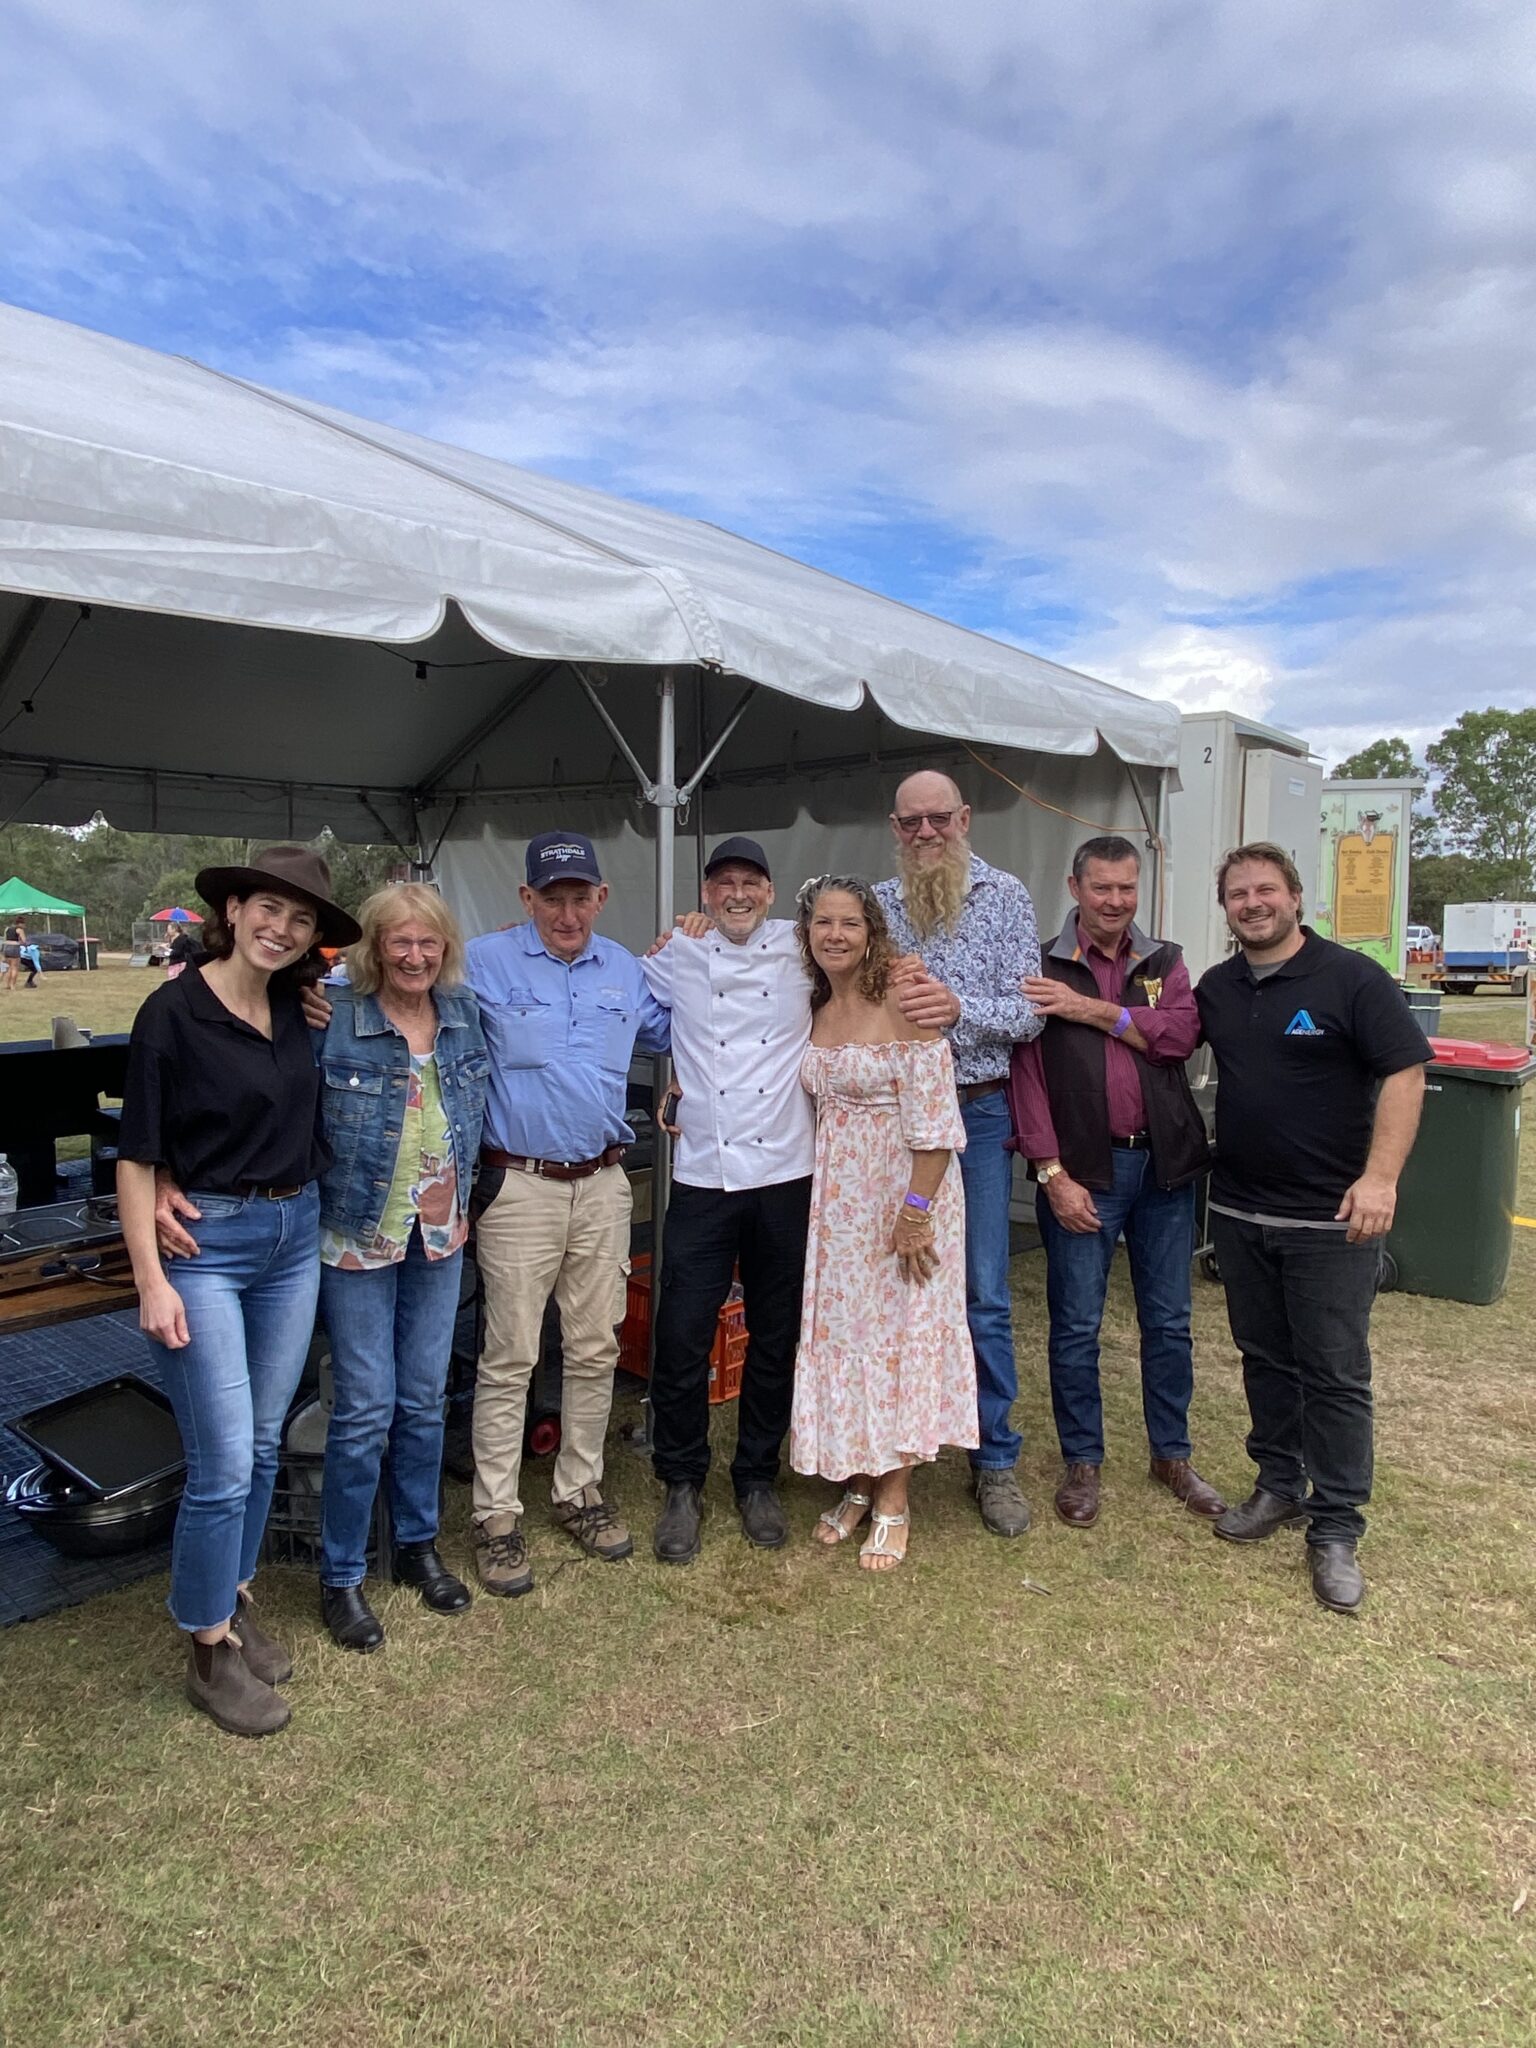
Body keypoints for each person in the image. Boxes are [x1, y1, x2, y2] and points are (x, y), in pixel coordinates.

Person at [167, 885, 492, 1650]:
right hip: (354, 1234)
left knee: (424, 1399)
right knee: (364, 1408)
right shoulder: (330, 1015)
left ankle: (417, 1546)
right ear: (372, 949)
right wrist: (168, 1176)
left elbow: (476, 1106)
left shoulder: (468, 1013)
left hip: (439, 1234)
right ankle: (342, 1574)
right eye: (398, 943)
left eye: (428, 943)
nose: (414, 956)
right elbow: (250, 1077)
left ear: (446, 948)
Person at [117, 844, 359, 1738]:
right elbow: (137, 1156)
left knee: (260, 1443)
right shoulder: (170, 1013)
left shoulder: (300, 1010)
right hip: (205, 1248)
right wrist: (151, 1278)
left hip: (293, 1239)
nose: (281, 928)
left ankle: (234, 1594)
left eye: (299, 920)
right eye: (269, 909)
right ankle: (207, 1647)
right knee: (221, 1460)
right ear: (234, 910)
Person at [1196, 842, 1430, 1613]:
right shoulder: (1218, 987)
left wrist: (1381, 1177)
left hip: (1330, 1218)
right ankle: (1277, 1485)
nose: (1253, 903)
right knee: (1264, 1358)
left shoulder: (1351, 978)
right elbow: (1160, 1038)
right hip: (1237, 1209)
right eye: (1238, 893)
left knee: (1333, 1371)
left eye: (1266, 890)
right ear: (1224, 905)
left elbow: (1404, 1071)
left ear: (1296, 897)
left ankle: (1335, 1526)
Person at [465, 831, 671, 1595]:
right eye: (551, 897)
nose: (566, 911)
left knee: (594, 1348)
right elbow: (394, 983)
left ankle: (579, 1491)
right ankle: (495, 1516)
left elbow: (691, 1032)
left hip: (605, 1184)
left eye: (580, 896)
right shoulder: (483, 962)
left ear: (601, 898)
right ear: (526, 899)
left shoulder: (625, 969)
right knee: (511, 1354)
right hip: (519, 1185)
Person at [1007, 835, 1223, 1529]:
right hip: (1083, 1172)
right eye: (1102, 887)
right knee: (1075, 1325)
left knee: (1169, 1321)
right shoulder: (1042, 965)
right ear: (1075, 887)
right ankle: (1083, 1461)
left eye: (1127, 888)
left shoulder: (1166, 962)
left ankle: (1173, 1455)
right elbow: (1027, 1079)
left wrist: (1094, 1012)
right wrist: (1051, 1173)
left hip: (1164, 1169)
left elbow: (1178, 1038)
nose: (1115, 901)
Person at [874, 769, 1042, 1537]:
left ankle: (996, 1462)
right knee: (891, 1291)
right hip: (893, 1128)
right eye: (911, 823)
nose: (926, 834)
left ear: (964, 818)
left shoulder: (1005, 897)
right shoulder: (876, 904)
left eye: (939, 819)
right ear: (895, 828)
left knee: (982, 1294)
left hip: (975, 1114)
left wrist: (958, 1008)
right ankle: (884, 1450)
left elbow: (1031, 1014)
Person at [640, 836, 815, 1562]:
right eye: (723, 884)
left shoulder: (806, 948)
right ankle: (682, 1479)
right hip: (703, 1175)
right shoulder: (679, 951)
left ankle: (755, 1475)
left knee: (775, 1334)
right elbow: (637, 1016)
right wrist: (671, 1077)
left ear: (771, 893)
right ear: (706, 894)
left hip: (786, 1172)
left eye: (750, 882)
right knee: (681, 1330)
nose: (736, 894)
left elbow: (864, 972)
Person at [790, 875, 973, 1570]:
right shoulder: (816, 1004)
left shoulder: (905, 999)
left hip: (904, 1196)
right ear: (807, 934)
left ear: (873, 932)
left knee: (898, 1338)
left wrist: (915, 1216)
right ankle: (859, 1479)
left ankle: (893, 1495)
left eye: (850, 924)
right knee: (849, 1338)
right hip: (838, 1205)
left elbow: (936, 1126)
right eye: (823, 924)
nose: (835, 935)